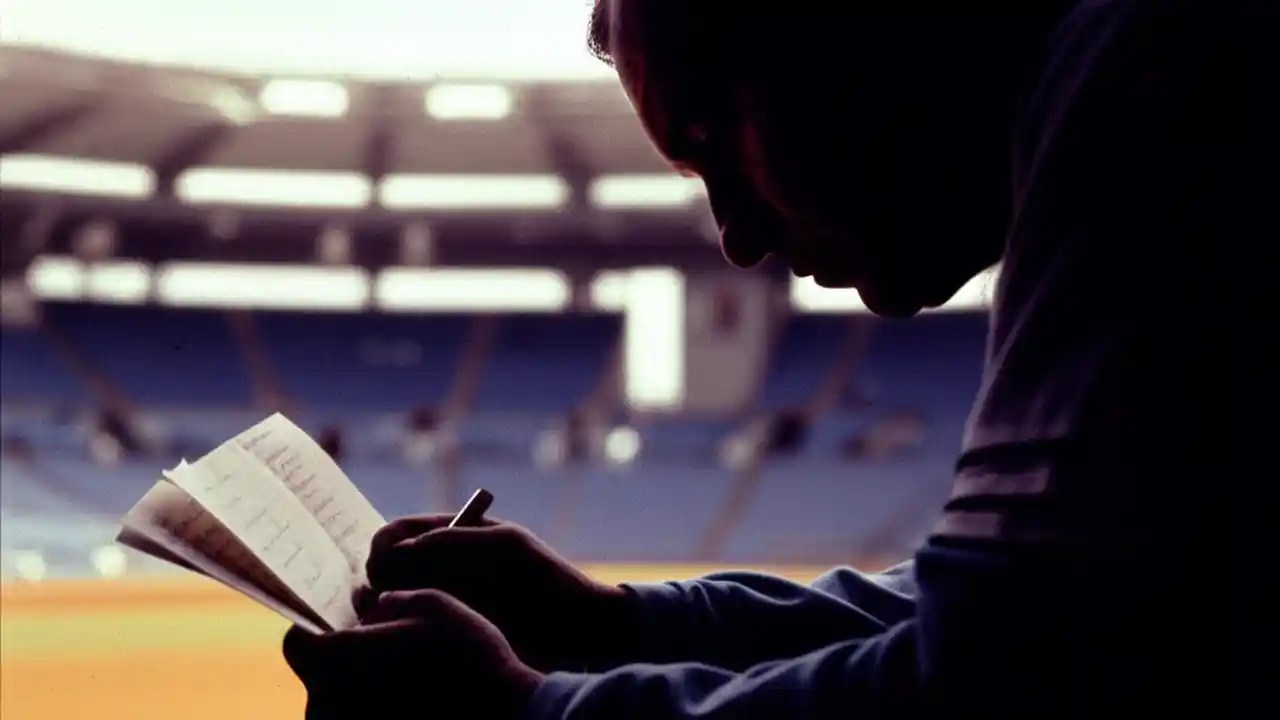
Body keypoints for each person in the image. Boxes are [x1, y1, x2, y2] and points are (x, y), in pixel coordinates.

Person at [283, 2, 1274, 717]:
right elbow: (1001, 618)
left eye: (712, 138)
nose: (735, 237)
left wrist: (526, 715)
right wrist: (621, 630)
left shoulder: (1160, 82)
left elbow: (1009, 684)